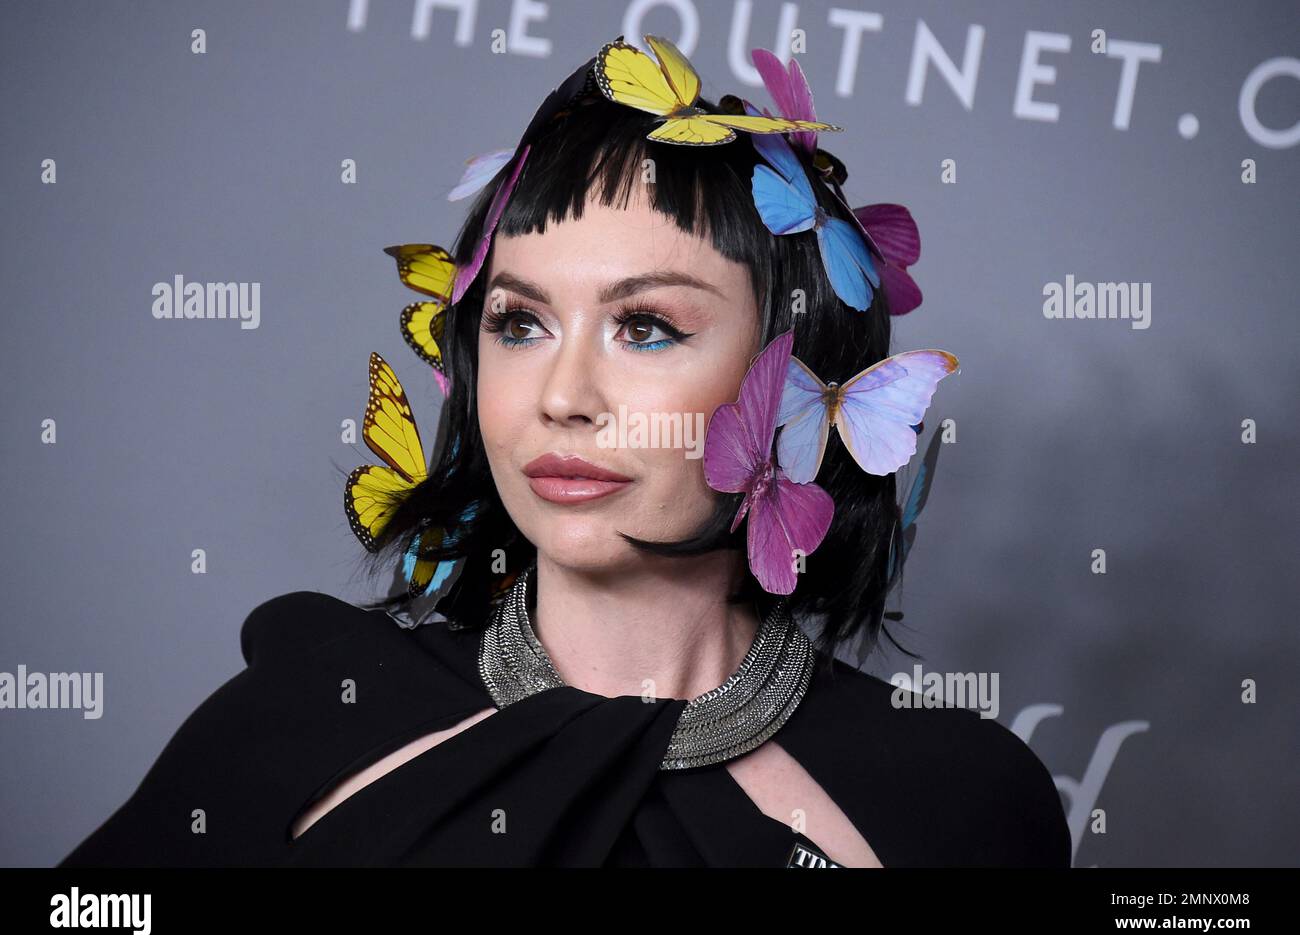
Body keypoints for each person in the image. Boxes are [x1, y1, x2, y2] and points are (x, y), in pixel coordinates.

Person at [59, 37, 1070, 868]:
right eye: (519, 324)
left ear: (802, 370)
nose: (561, 398)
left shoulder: (960, 801)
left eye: (645, 329)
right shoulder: (311, 717)